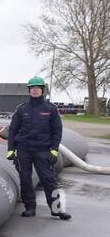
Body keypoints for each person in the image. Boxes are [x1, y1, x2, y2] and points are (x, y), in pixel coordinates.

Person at [6, 76, 72, 220]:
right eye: (32, 88)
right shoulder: (21, 109)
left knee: (49, 179)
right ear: (29, 90)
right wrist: (11, 149)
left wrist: (54, 150)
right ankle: (30, 207)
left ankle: (57, 210)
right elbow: (12, 130)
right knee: (25, 179)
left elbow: (57, 131)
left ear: (43, 90)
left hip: (43, 150)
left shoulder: (51, 109)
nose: (35, 90)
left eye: (38, 88)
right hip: (24, 150)